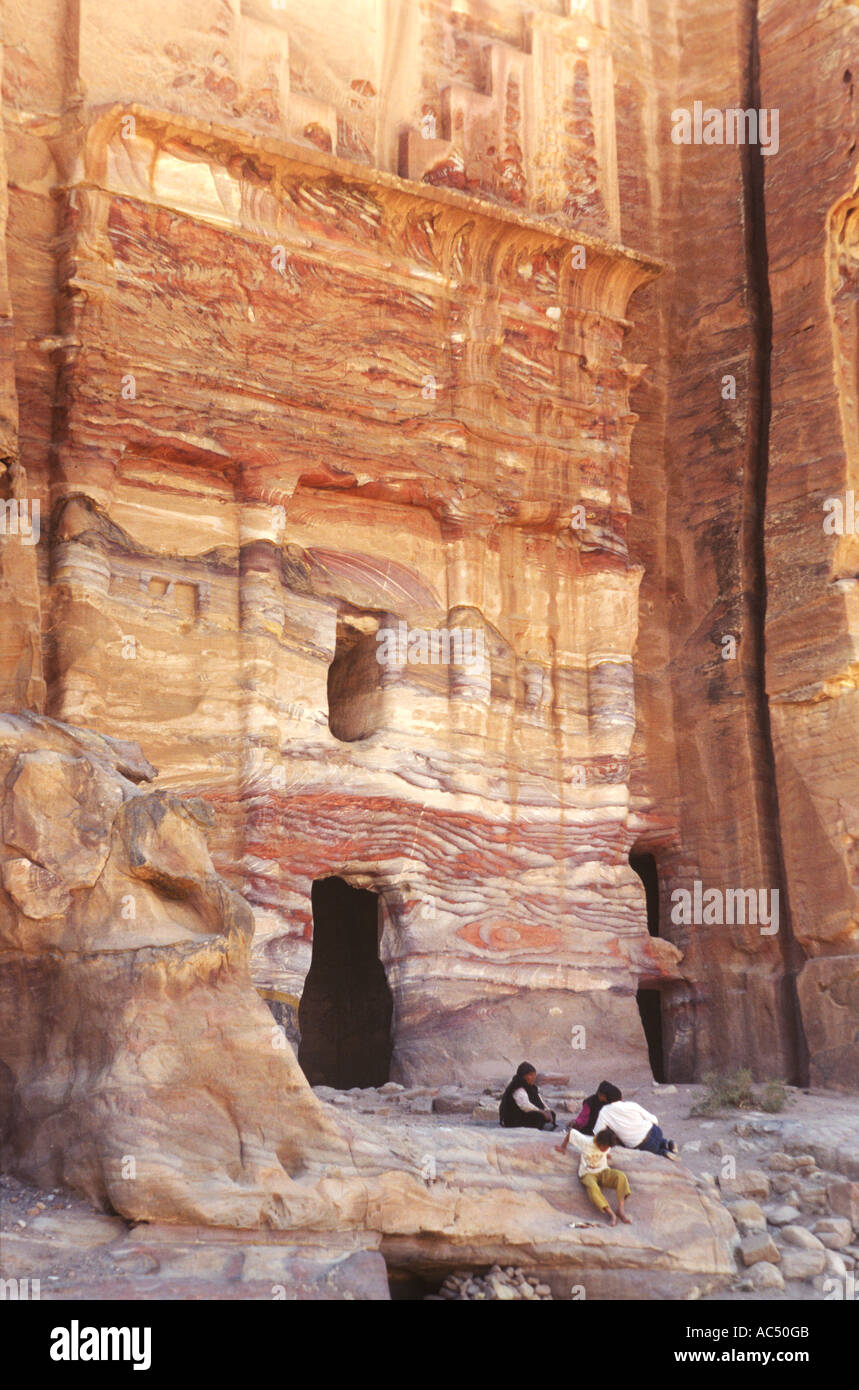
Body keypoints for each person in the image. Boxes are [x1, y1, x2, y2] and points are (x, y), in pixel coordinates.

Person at [555, 1125, 631, 1226]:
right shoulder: (587, 1142)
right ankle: (611, 1214)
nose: (606, 1149)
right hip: (587, 1173)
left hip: (603, 1170)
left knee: (621, 1176)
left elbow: (606, 1148)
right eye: (605, 1147)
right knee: (592, 1187)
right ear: (599, 1142)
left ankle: (620, 1210)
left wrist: (605, 1154)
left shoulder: (607, 1144)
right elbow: (571, 1133)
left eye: (608, 1147)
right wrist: (563, 1146)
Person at [592, 1097, 679, 1159]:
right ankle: (667, 1143)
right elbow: (653, 1119)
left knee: (653, 1150)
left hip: (642, 1144)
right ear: (620, 1097)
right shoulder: (631, 1104)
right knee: (657, 1139)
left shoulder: (604, 1111)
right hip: (655, 1131)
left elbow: (598, 1132)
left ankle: (664, 1152)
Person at [498, 1062, 557, 1130]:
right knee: (538, 1116)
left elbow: (541, 1101)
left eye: (534, 1075)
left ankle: (544, 1125)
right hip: (515, 1118)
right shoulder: (518, 1087)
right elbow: (525, 1106)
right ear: (523, 1076)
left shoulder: (532, 1087)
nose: (533, 1078)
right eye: (530, 1075)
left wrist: (547, 1110)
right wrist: (542, 1112)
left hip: (526, 1114)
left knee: (551, 1114)